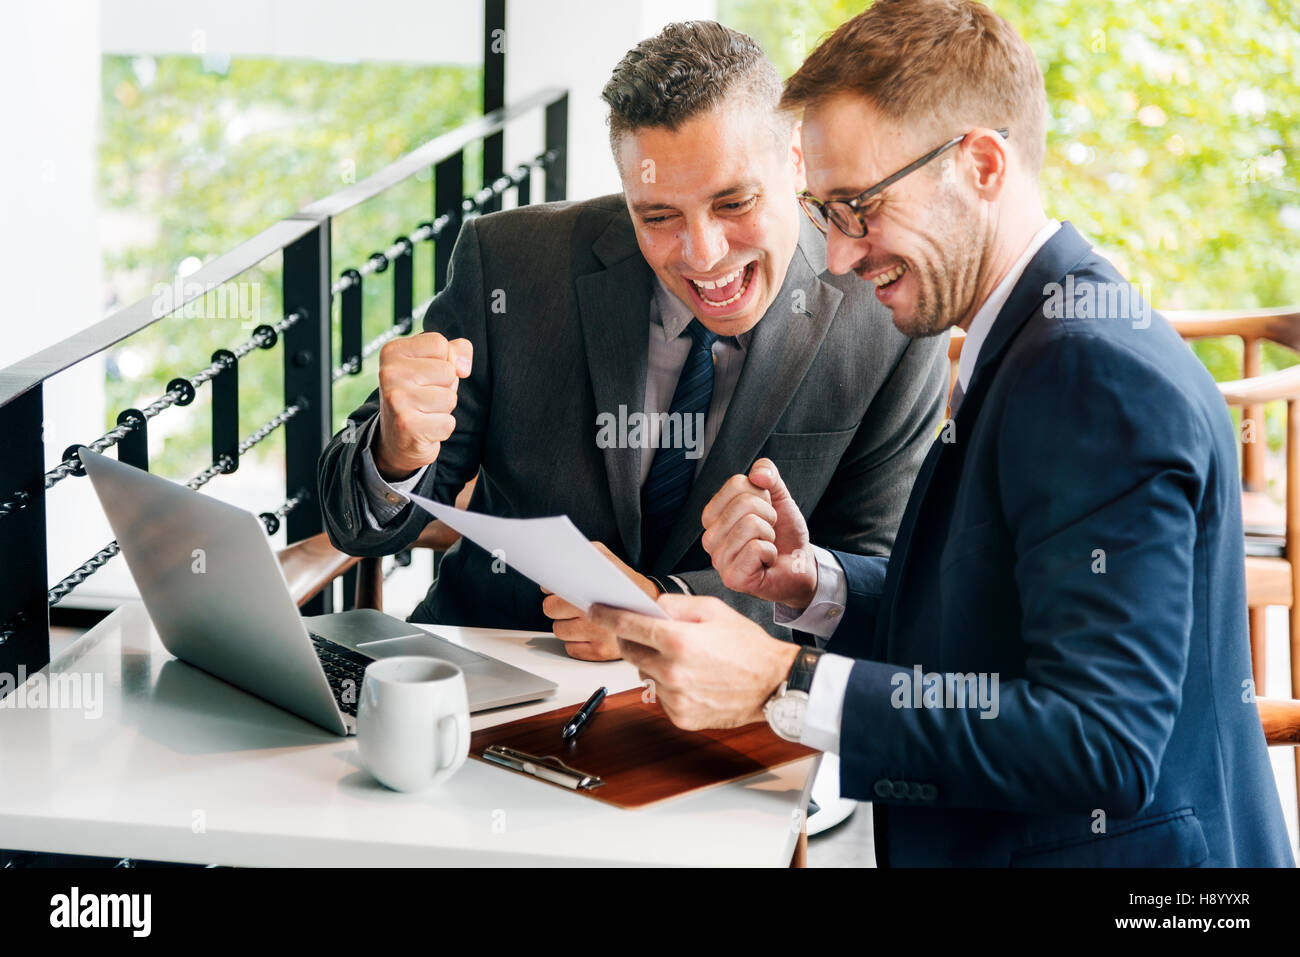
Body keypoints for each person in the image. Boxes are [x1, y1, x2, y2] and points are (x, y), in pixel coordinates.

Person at [591, 0, 1295, 866]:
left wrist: (785, 681)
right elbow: (994, 631)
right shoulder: (1034, 330)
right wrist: (814, 584)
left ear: (984, 165)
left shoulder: (1090, 376)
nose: (841, 255)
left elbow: (1099, 740)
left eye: (859, 207)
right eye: (825, 212)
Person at [317, 21, 947, 662]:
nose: (704, 255)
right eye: (659, 217)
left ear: (795, 157)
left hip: (735, 709)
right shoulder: (509, 263)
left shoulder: (890, 318)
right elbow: (352, 524)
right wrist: (395, 455)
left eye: (734, 203)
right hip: (488, 669)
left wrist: (663, 605)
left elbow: (877, 580)